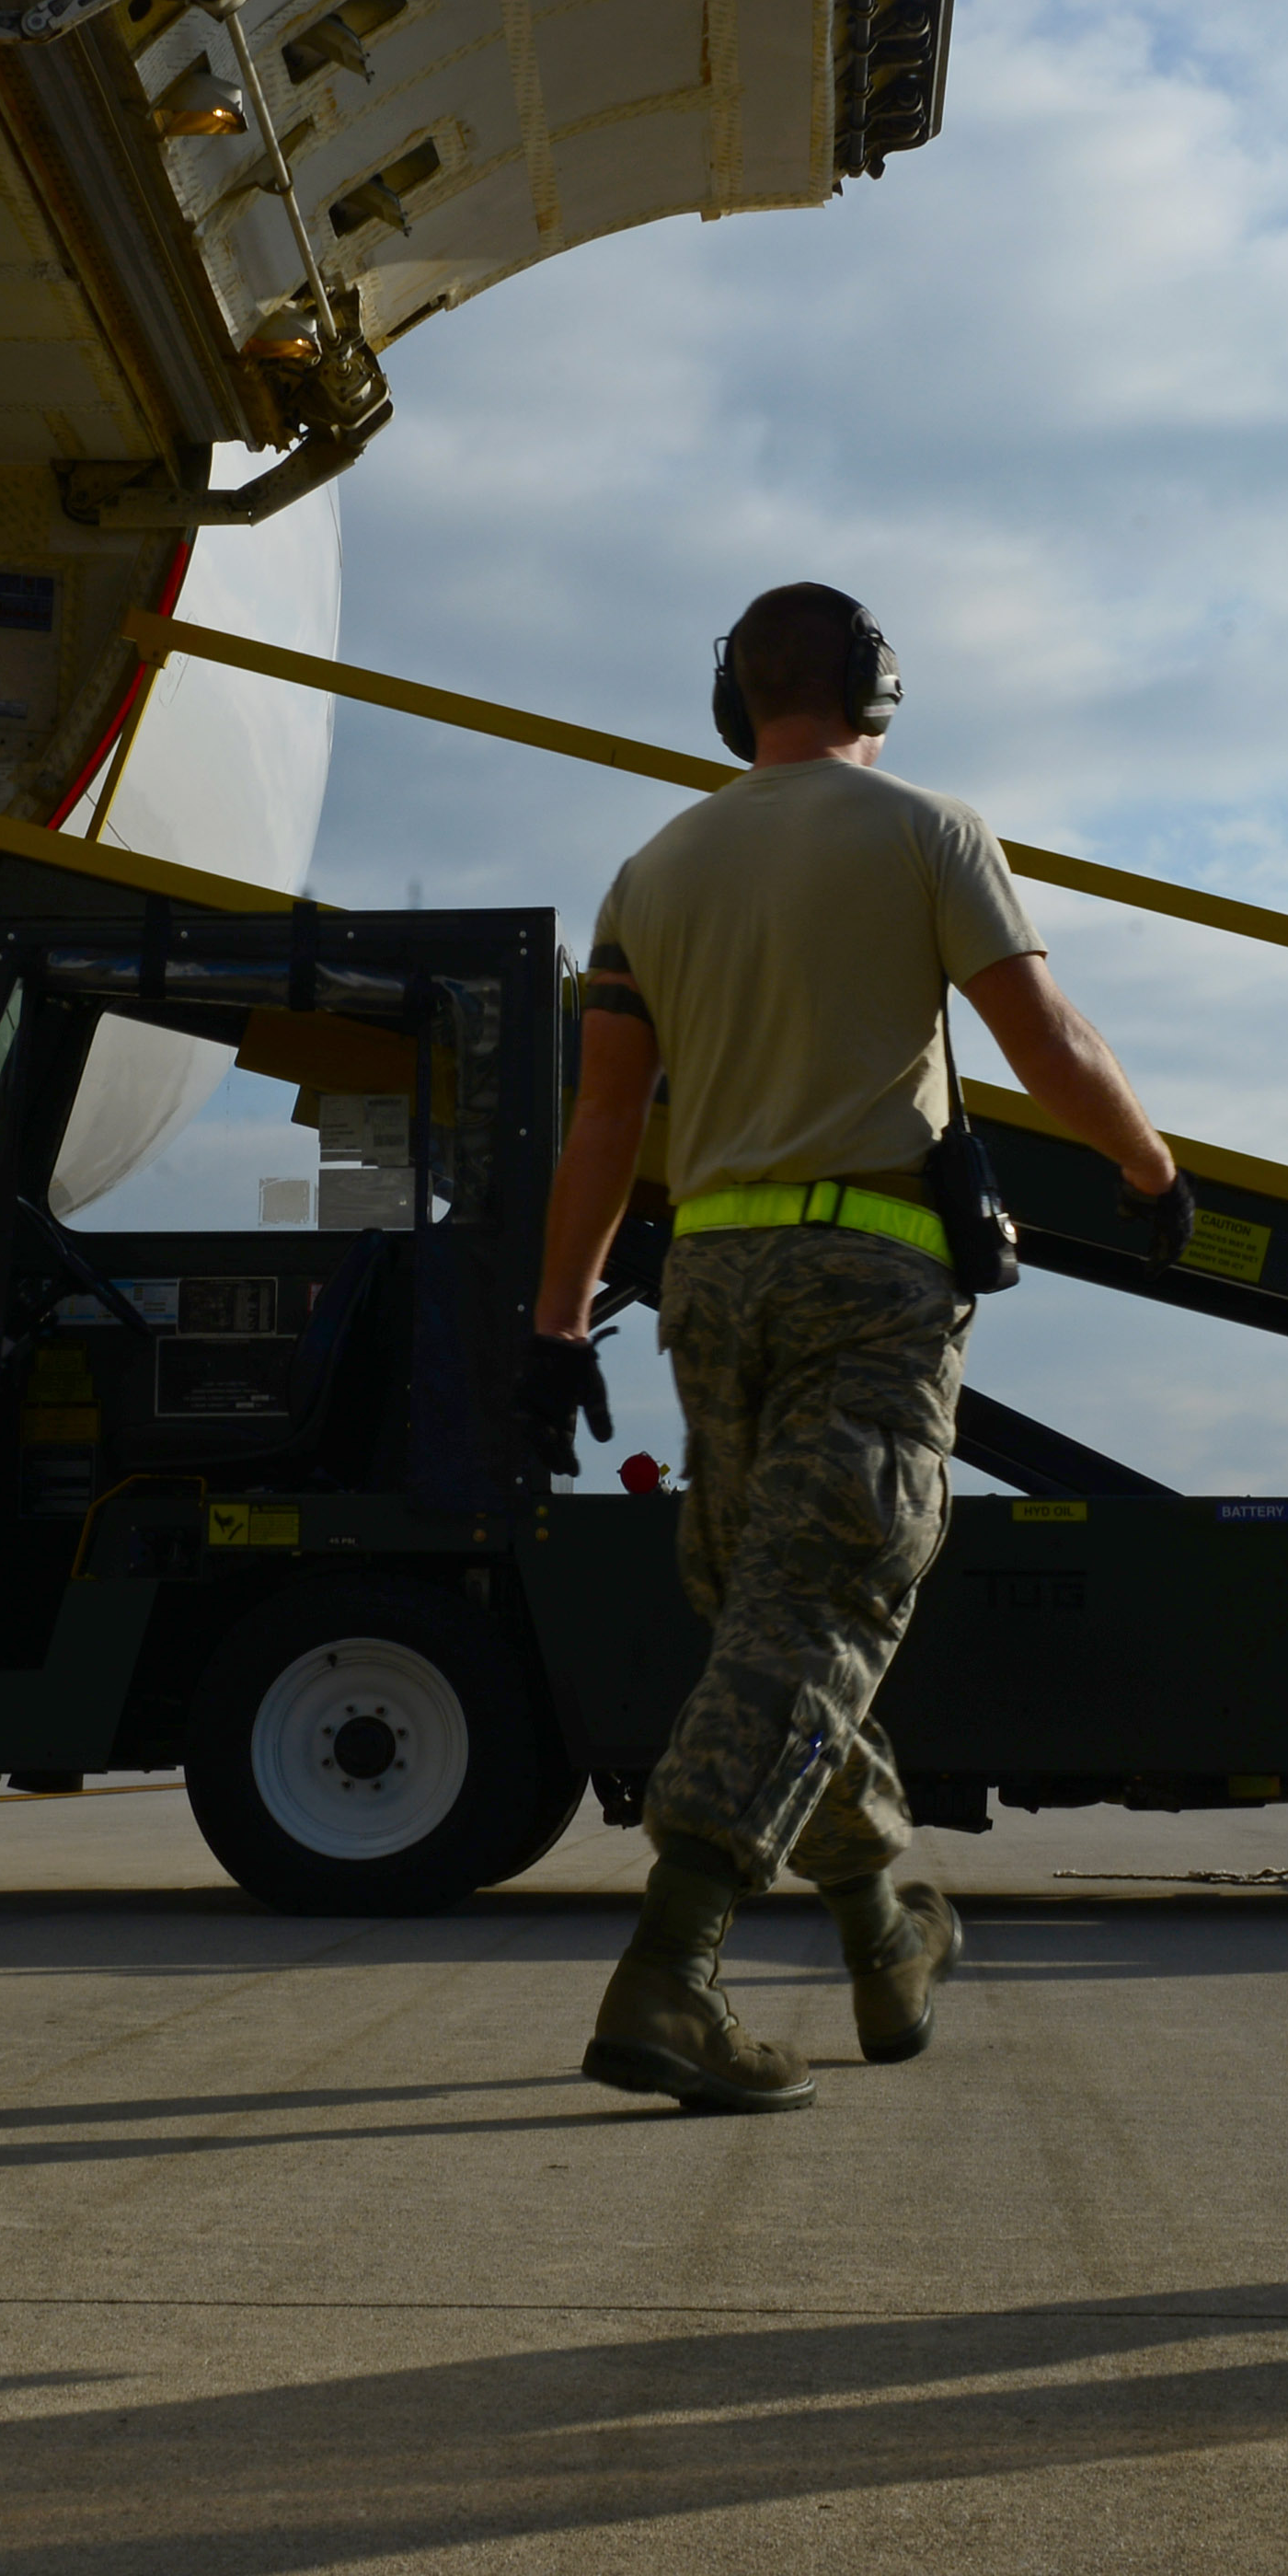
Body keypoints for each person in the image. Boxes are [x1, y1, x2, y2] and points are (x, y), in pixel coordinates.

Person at [526, 583, 1196, 2111]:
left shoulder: (653, 867)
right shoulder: (927, 832)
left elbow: (606, 1120)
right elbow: (1048, 1043)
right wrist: (1154, 1174)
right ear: (877, 689)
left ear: (732, 703)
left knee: (769, 1617)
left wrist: (556, 1323)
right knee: (815, 1618)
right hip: (870, 1280)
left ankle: (885, 1922)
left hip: (709, 1277)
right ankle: (672, 1976)